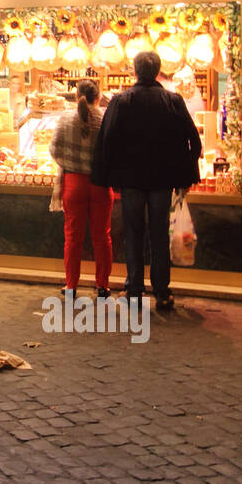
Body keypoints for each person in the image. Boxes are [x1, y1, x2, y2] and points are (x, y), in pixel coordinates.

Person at [91, 51, 202, 311]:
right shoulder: (172, 100)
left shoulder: (121, 101)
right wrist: (185, 172)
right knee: (159, 233)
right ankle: (162, 292)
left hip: (131, 181)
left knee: (133, 232)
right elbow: (192, 139)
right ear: (158, 70)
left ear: (135, 71)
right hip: (162, 181)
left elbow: (107, 141)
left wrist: (108, 176)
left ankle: (134, 289)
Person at [50, 80, 114, 299]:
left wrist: (68, 163)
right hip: (100, 184)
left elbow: (54, 148)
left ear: (76, 96)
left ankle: (71, 286)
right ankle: (103, 285)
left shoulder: (65, 118)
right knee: (102, 236)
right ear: (98, 97)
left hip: (74, 184)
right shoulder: (105, 118)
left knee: (72, 237)